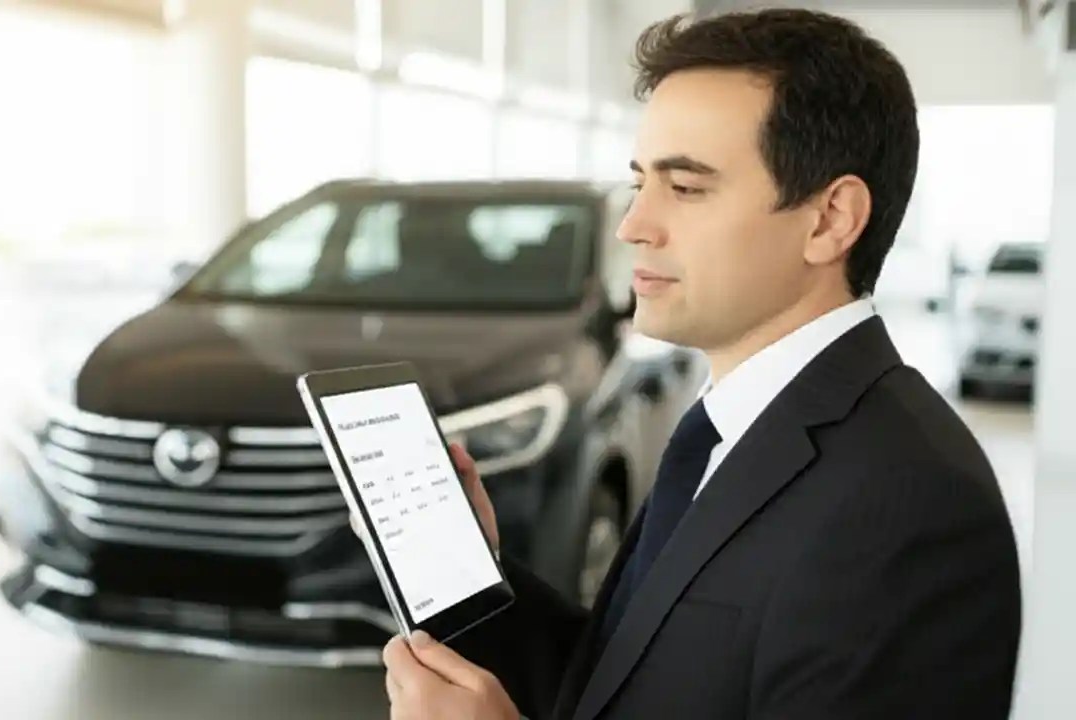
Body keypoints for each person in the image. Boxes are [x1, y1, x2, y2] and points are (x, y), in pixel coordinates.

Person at [376, 9, 1021, 720]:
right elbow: (623, 681)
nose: (633, 225)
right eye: (639, 183)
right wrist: (471, 577)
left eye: (684, 188)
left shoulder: (910, 506)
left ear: (830, 219)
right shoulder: (734, 427)